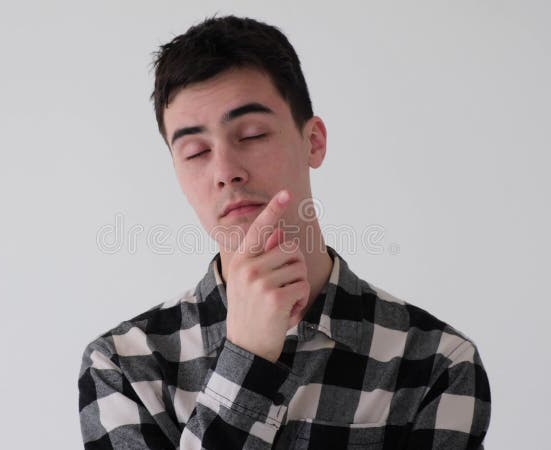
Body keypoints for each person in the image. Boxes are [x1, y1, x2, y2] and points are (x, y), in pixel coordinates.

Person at [78, 15, 491, 450]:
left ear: (313, 142)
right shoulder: (123, 366)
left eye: (252, 134)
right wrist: (248, 356)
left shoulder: (437, 363)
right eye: (196, 151)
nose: (225, 172)